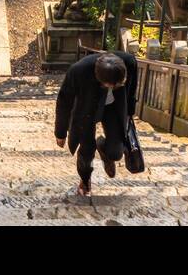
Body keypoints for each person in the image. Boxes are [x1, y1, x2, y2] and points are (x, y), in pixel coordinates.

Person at [54, 50, 138, 196]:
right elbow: (64, 101)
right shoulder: (78, 71)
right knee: (86, 151)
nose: (114, 87)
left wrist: (130, 114)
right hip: (86, 109)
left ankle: (104, 148)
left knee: (116, 152)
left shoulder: (129, 62)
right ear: (99, 80)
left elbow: (132, 90)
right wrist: (60, 132)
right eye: (111, 85)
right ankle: (85, 179)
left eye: (119, 85)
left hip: (114, 108)